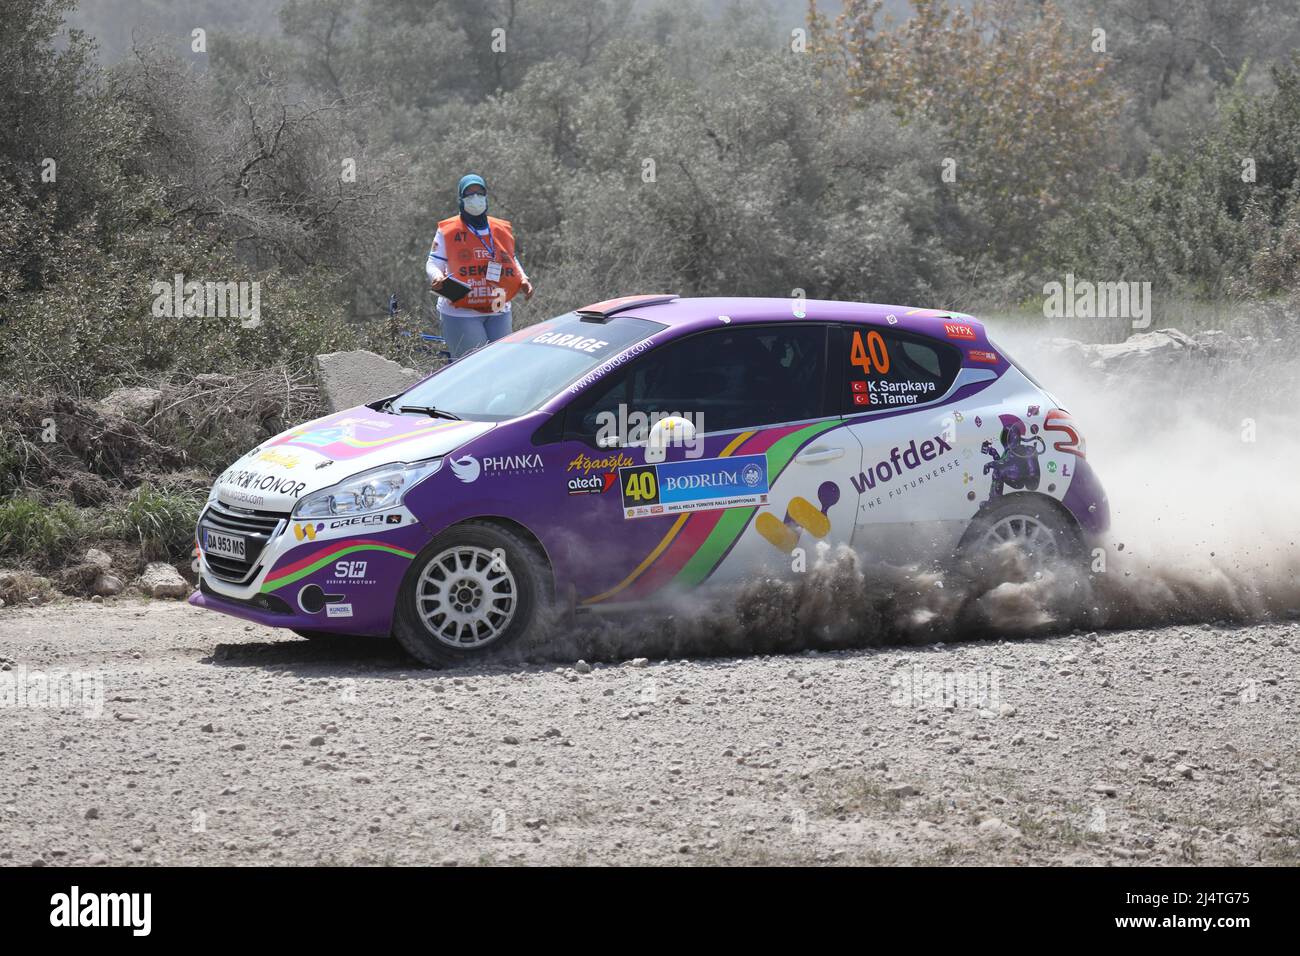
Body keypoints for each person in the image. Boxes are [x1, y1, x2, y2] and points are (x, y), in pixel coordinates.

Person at [426, 173, 534, 359]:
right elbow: (433, 262)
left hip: (498, 306)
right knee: (473, 366)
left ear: (486, 195)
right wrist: (436, 276)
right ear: (461, 198)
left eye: (479, 192)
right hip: (461, 310)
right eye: (469, 194)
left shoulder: (500, 228)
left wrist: (523, 279)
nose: (475, 198)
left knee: (502, 363)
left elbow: (511, 259)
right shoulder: (448, 230)